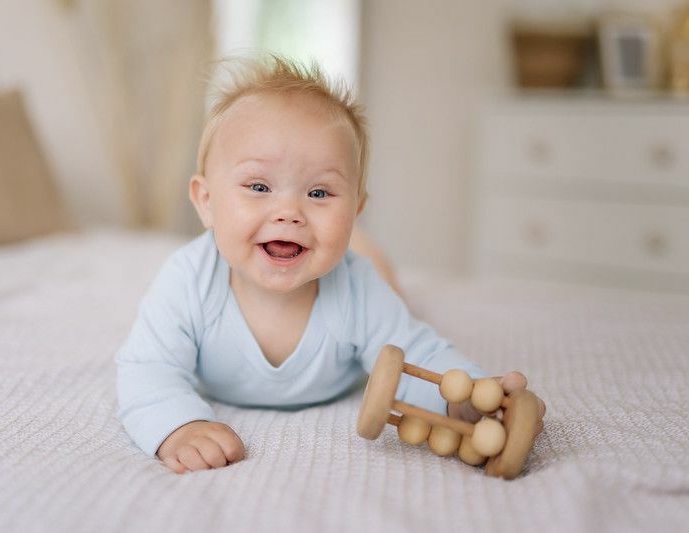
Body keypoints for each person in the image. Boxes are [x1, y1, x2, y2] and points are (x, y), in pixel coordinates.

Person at [116, 55, 544, 474]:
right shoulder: (187, 280)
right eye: (259, 186)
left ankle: (367, 248)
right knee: (365, 267)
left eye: (319, 193)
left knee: (388, 290)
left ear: (357, 208)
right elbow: (148, 369)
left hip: (360, 272)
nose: (289, 212)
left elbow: (417, 356)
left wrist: (468, 395)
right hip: (323, 257)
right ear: (206, 202)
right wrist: (179, 425)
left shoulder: (357, 287)